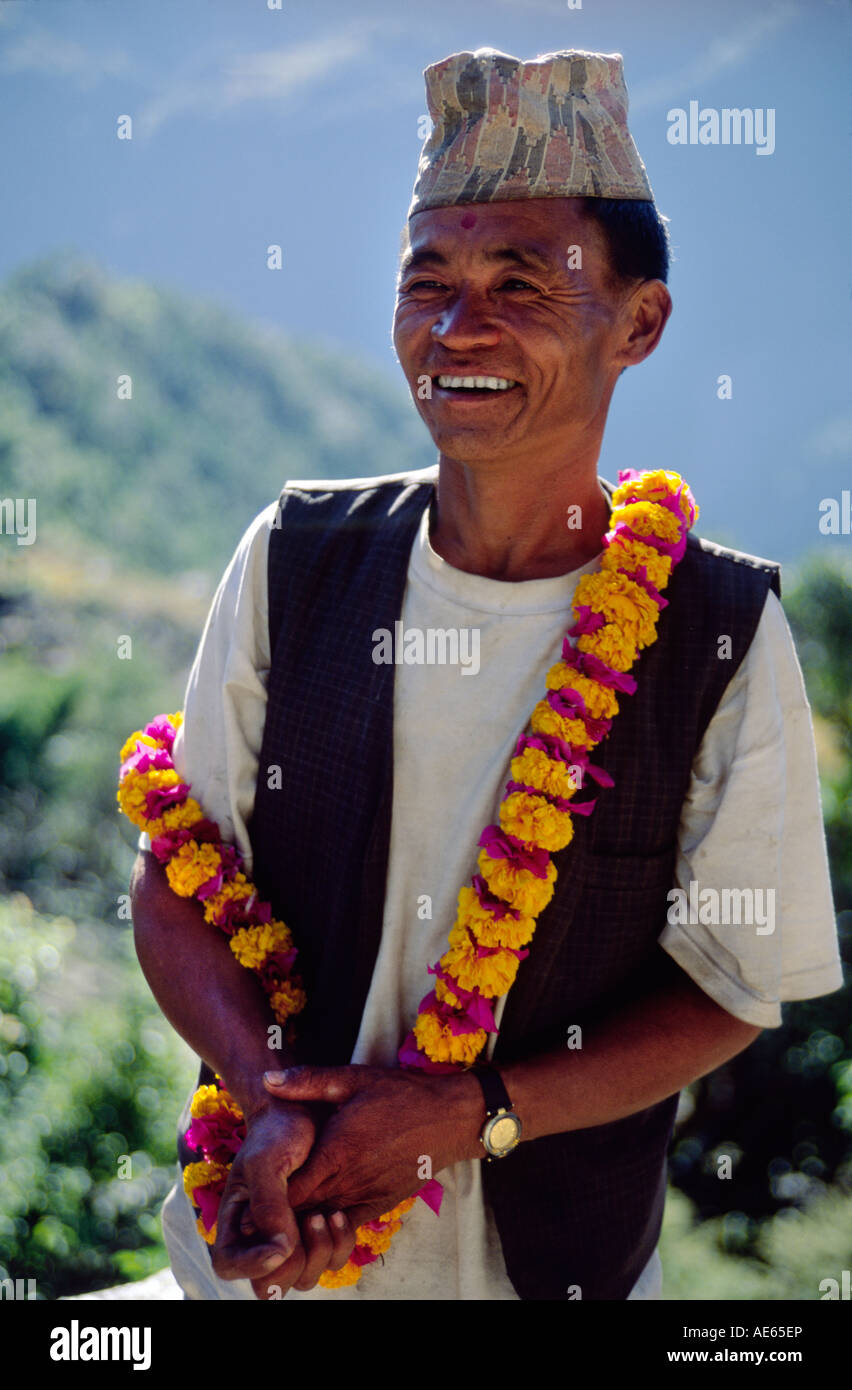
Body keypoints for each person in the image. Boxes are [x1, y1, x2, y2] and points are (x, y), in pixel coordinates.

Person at [129, 47, 843, 1301]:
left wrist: (466, 1115)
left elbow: (733, 985)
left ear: (640, 322)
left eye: (522, 281)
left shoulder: (718, 628)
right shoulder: (297, 560)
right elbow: (178, 870)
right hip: (266, 1260)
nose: (460, 328)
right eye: (429, 282)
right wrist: (271, 1099)